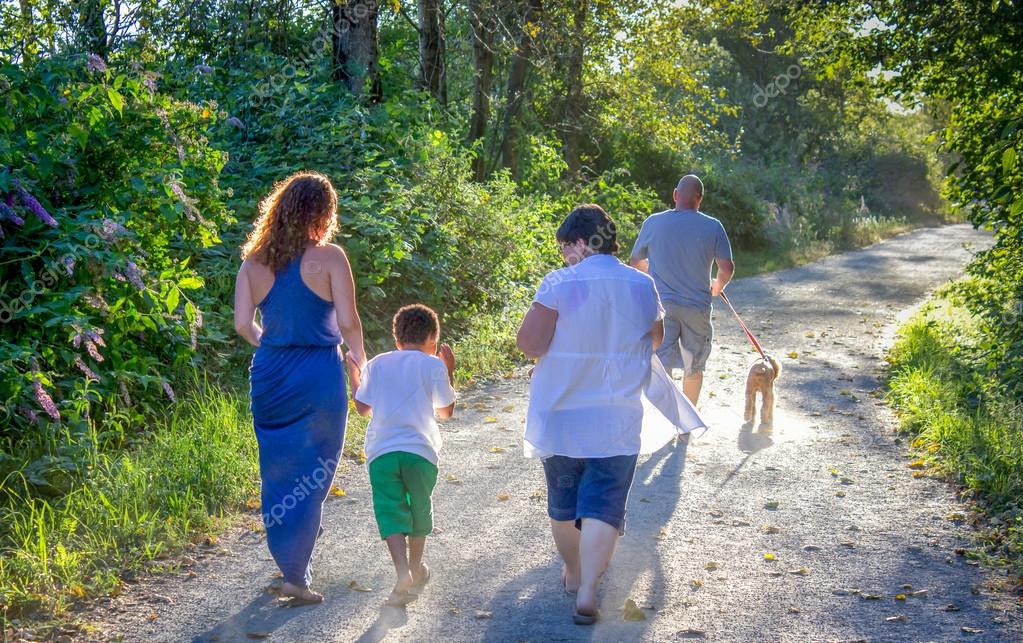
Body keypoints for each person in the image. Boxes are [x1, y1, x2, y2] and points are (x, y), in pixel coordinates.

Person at [516, 204, 704, 625]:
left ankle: (575, 572)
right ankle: (587, 590)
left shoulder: (559, 283)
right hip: (617, 420)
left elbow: (529, 342)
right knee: (603, 504)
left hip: (562, 416)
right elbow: (653, 340)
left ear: (581, 242)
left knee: (564, 503)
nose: (564, 255)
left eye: (566, 247)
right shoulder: (641, 285)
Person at [233, 171, 366, 605]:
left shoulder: (253, 264)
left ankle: (293, 559)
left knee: (278, 469)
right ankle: (295, 571)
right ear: (323, 213)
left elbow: (241, 325)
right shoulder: (330, 258)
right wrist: (359, 360)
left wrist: (271, 343)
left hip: (270, 374)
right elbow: (347, 322)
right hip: (318, 374)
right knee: (317, 471)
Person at [347, 304, 456, 607]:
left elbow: (362, 407)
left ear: (396, 339)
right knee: (419, 509)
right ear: (433, 339)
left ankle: (402, 573)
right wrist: (449, 371)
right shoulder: (433, 366)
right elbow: (446, 412)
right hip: (420, 453)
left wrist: (353, 374)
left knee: (390, 510)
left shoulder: (379, 364)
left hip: (382, 452)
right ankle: (417, 566)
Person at [630, 174, 734, 405]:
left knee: (662, 363)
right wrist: (717, 285)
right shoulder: (713, 226)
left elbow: (635, 262)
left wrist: (653, 272)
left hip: (662, 306)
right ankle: (688, 420)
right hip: (696, 308)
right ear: (700, 199)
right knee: (693, 364)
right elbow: (726, 267)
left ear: (675, 195)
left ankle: (664, 418)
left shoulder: (654, 222)